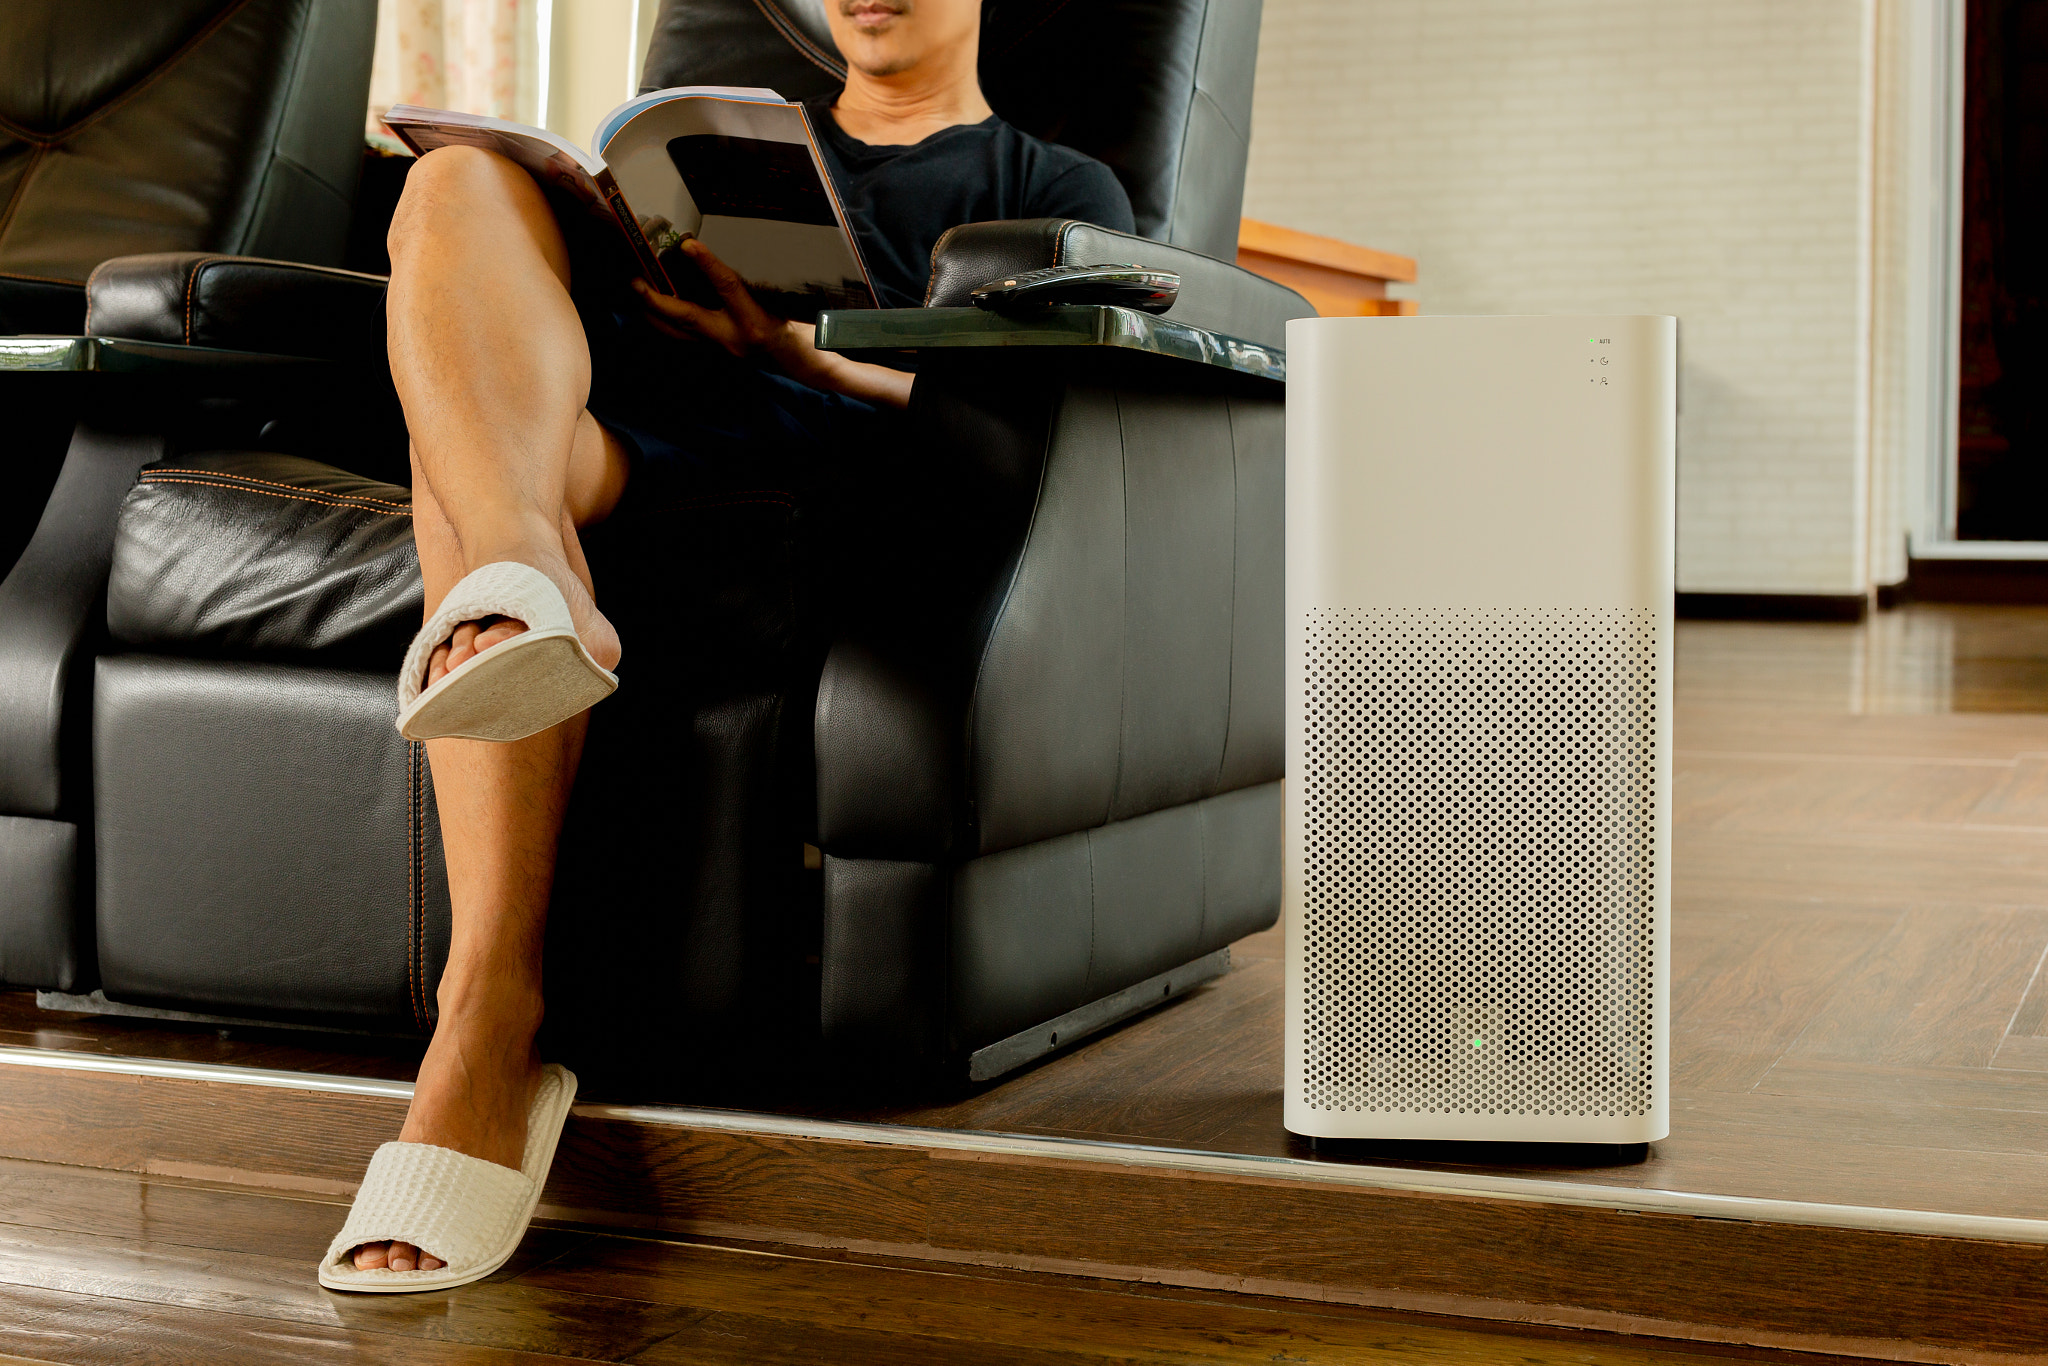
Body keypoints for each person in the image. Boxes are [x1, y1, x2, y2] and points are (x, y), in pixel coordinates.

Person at [324, 0, 1133, 1287]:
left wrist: (796, 355)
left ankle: (484, 1027)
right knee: (453, 179)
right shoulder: (730, 152)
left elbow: (1060, 425)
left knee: (457, 477)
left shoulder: (1046, 181)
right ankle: (525, 564)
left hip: (832, 474)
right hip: (628, 430)